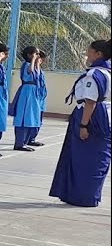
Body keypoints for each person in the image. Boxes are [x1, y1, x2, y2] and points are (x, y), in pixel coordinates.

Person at [49, 40, 111, 207]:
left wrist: (83, 125)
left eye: (89, 51)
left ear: (99, 54)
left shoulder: (95, 74)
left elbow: (90, 101)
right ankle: (86, 195)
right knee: (97, 158)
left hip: (91, 116)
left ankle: (83, 196)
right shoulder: (107, 72)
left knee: (85, 158)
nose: (87, 54)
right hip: (104, 115)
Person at [10, 46, 48, 151]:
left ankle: (25, 141)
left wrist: (37, 64)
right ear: (29, 55)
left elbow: (38, 76)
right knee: (23, 117)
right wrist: (33, 61)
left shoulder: (36, 66)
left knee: (31, 117)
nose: (37, 56)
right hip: (27, 92)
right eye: (35, 54)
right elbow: (29, 72)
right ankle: (19, 143)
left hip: (34, 92)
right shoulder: (26, 65)